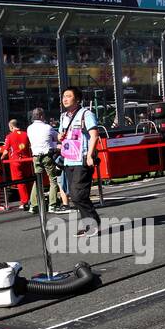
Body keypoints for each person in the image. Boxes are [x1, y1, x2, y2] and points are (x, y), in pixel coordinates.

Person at [60, 87, 101, 233]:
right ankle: (88, 225)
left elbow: (94, 135)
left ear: (77, 99)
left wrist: (90, 155)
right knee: (75, 194)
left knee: (78, 195)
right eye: (64, 96)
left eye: (68, 96)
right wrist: (60, 137)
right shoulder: (64, 116)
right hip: (68, 160)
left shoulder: (86, 114)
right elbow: (63, 134)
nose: (65, 99)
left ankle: (93, 223)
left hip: (82, 159)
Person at [26, 107, 65, 214]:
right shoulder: (47, 127)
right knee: (53, 180)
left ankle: (33, 205)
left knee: (38, 181)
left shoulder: (29, 128)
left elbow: (38, 141)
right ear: (42, 116)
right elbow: (59, 138)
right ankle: (52, 205)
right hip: (47, 155)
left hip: (35, 156)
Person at [1, 118, 33, 210]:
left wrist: (1, 158)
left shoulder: (9, 136)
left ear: (11, 127)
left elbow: (6, 151)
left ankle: (25, 201)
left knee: (20, 183)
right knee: (29, 181)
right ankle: (32, 200)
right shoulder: (26, 134)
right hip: (27, 160)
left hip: (15, 162)